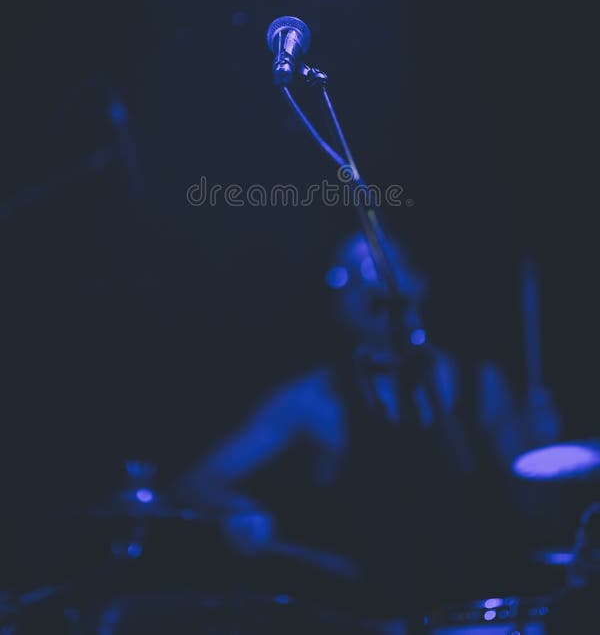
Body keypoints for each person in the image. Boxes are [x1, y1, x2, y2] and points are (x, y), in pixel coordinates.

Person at [174, 232, 562, 629]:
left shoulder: (484, 385)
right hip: (364, 620)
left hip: (479, 617)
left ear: (418, 282)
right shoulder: (316, 399)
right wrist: (239, 511)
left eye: (384, 265)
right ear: (339, 305)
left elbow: (537, 517)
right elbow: (199, 481)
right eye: (349, 276)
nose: (369, 280)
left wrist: (545, 451)